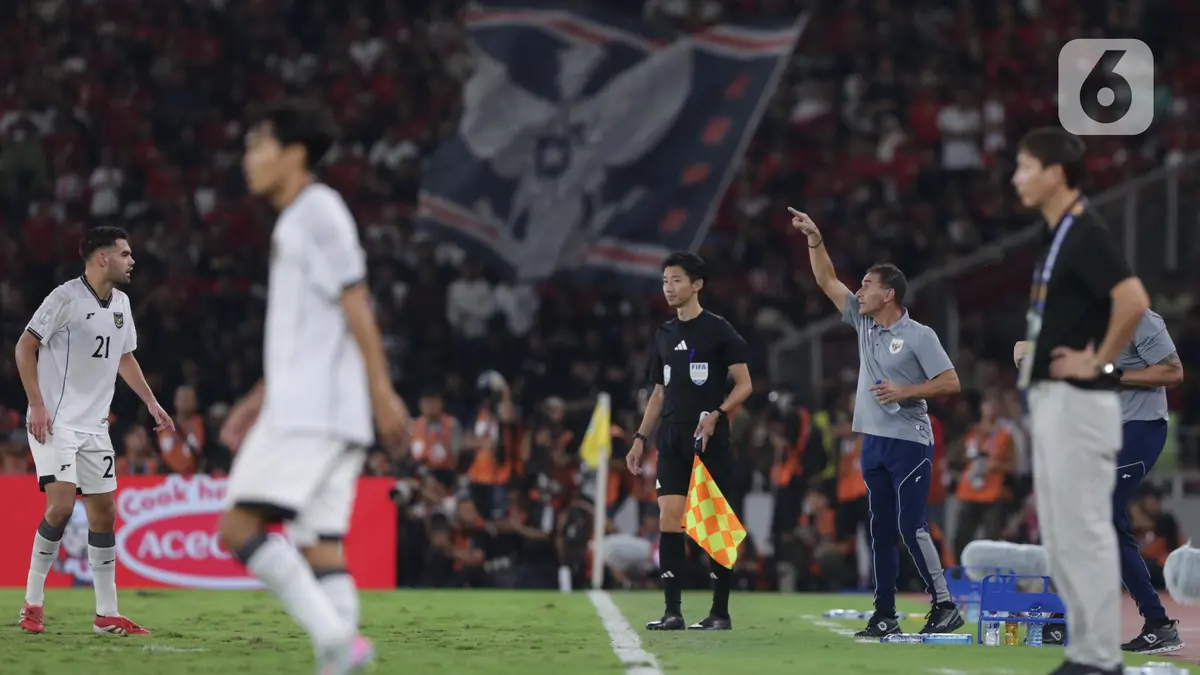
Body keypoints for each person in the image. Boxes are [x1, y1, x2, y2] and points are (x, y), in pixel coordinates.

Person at [215, 100, 409, 674]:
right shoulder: (297, 219)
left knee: (237, 528)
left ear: (294, 153)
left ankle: (337, 643)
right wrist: (256, 401)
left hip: (310, 412)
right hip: (327, 410)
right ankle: (340, 659)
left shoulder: (317, 212)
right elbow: (310, 332)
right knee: (321, 544)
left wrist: (383, 394)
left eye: (258, 145)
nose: (248, 159)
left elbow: (357, 301)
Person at [1011, 126, 1151, 675]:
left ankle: (1101, 657)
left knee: (1085, 532)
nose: (1017, 178)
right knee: (1062, 535)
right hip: (1055, 400)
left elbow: (1133, 300)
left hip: (1080, 401)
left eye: (1025, 167)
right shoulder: (1058, 232)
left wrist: (1099, 363)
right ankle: (1085, 651)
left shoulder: (1086, 230)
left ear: (1055, 173)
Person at [789, 208, 963, 637]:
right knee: (880, 529)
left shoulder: (920, 334)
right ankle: (884, 613)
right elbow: (826, 280)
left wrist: (906, 392)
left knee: (910, 525)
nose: (859, 290)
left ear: (889, 294)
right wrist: (815, 239)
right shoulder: (863, 322)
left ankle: (945, 604)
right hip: (874, 441)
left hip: (910, 441)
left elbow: (951, 382)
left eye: (867, 285)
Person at [15, 226, 175, 635]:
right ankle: (32, 602)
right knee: (62, 506)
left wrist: (151, 402)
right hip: (55, 422)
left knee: (104, 513)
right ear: (102, 258)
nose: (131, 260)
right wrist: (36, 403)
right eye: (125, 253)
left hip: (95, 427)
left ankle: (107, 613)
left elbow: (125, 358)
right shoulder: (64, 298)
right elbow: (25, 347)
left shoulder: (121, 303)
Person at [1015, 309, 1185, 654]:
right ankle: (1150, 622)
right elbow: (1023, 350)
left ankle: (1124, 620)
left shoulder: (1138, 317)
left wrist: (1110, 374)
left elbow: (1172, 371)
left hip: (1139, 428)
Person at [626, 251, 753, 631]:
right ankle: (672, 612)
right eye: (665, 281)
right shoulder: (664, 333)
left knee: (713, 522)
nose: (669, 288)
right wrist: (639, 438)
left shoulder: (718, 329)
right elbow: (658, 393)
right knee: (669, 517)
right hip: (671, 437)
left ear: (697, 285)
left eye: (676, 280)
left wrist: (718, 413)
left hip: (708, 437)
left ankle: (720, 613)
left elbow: (745, 384)